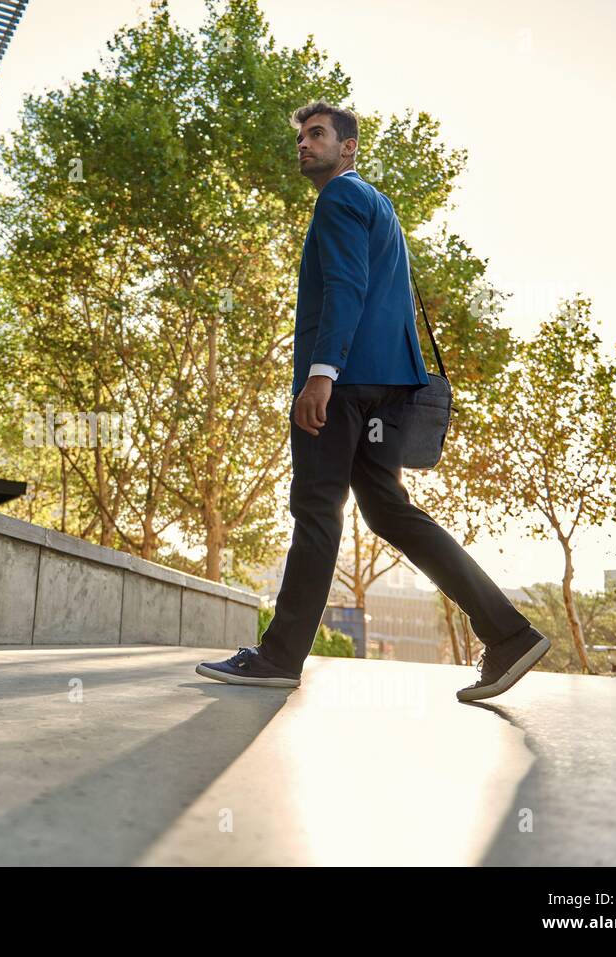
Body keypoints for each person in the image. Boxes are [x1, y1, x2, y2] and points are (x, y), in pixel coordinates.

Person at [196, 100, 549, 702]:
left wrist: (321, 374)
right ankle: (508, 634)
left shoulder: (338, 198)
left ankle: (279, 656)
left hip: (345, 383)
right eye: (301, 137)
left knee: (315, 508)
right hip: (385, 385)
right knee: (388, 512)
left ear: (348, 147)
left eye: (317, 135)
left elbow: (347, 287)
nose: (304, 145)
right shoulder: (379, 205)